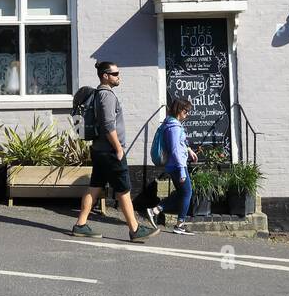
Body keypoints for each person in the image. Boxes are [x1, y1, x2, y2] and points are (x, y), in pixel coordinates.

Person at [72, 61, 159, 241]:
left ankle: (80, 225)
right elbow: (108, 125)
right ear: (105, 76)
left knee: (95, 187)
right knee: (123, 189)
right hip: (110, 151)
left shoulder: (98, 94)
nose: (118, 76)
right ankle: (135, 229)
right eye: (115, 73)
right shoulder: (106, 96)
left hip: (100, 150)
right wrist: (119, 149)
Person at [146, 97, 198, 234]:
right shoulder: (174, 127)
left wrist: (189, 150)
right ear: (180, 110)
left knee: (182, 193)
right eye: (186, 111)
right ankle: (180, 225)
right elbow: (175, 149)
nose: (187, 115)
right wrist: (181, 170)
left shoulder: (170, 123)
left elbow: (180, 144)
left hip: (175, 164)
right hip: (177, 165)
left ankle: (155, 210)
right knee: (187, 192)